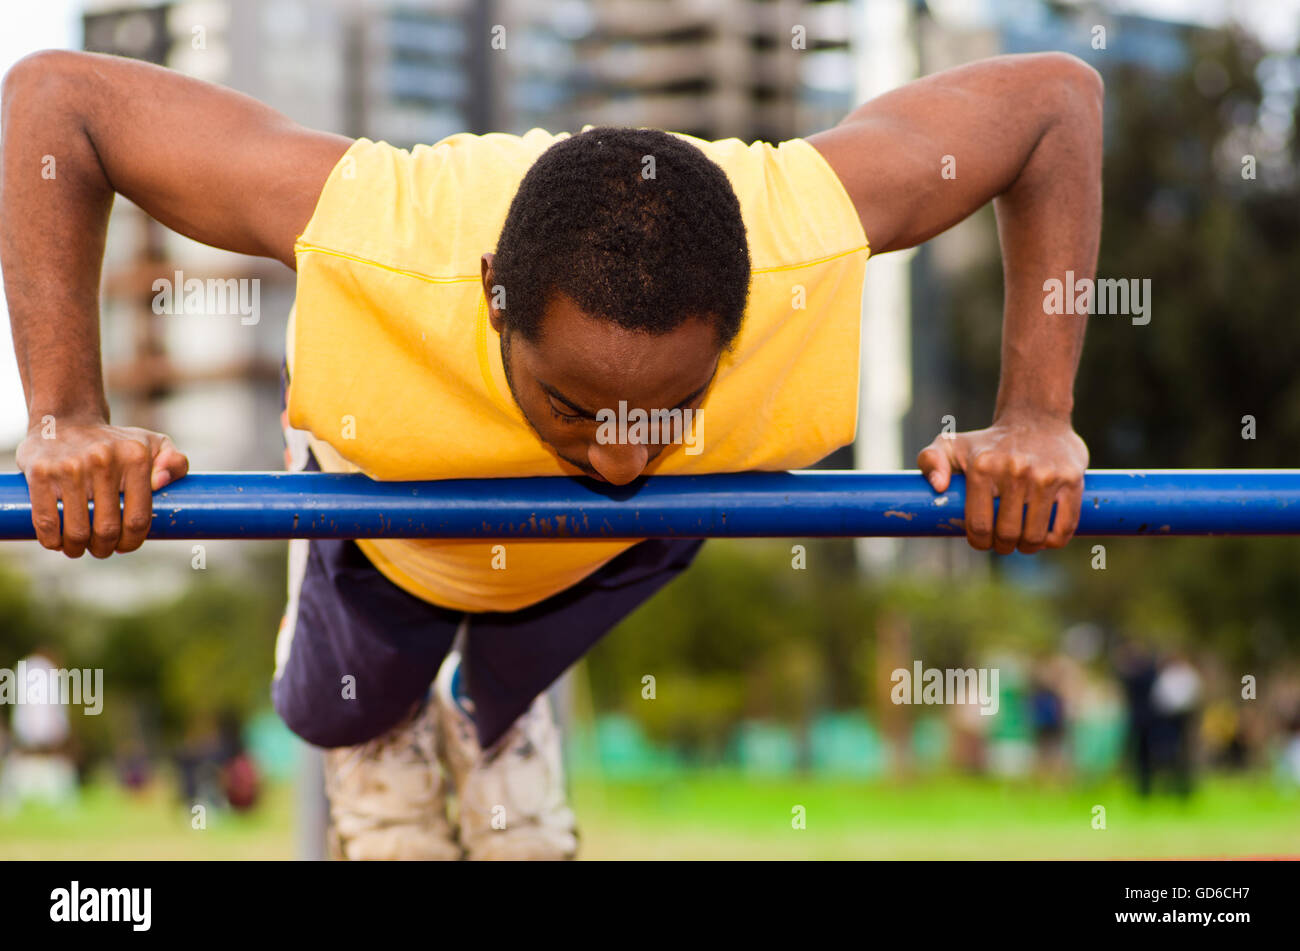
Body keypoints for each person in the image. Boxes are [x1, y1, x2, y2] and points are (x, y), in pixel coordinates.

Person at [1, 48, 1099, 859]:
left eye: (665, 407)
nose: (618, 456)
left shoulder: (802, 231)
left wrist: (1037, 414)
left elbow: (1056, 100)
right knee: (347, 715)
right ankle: (386, 723)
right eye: (576, 406)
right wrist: (62, 414)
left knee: (578, 604)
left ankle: (500, 716)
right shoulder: (375, 226)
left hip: (612, 556)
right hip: (391, 510)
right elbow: (58, 101)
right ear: (490, 299)